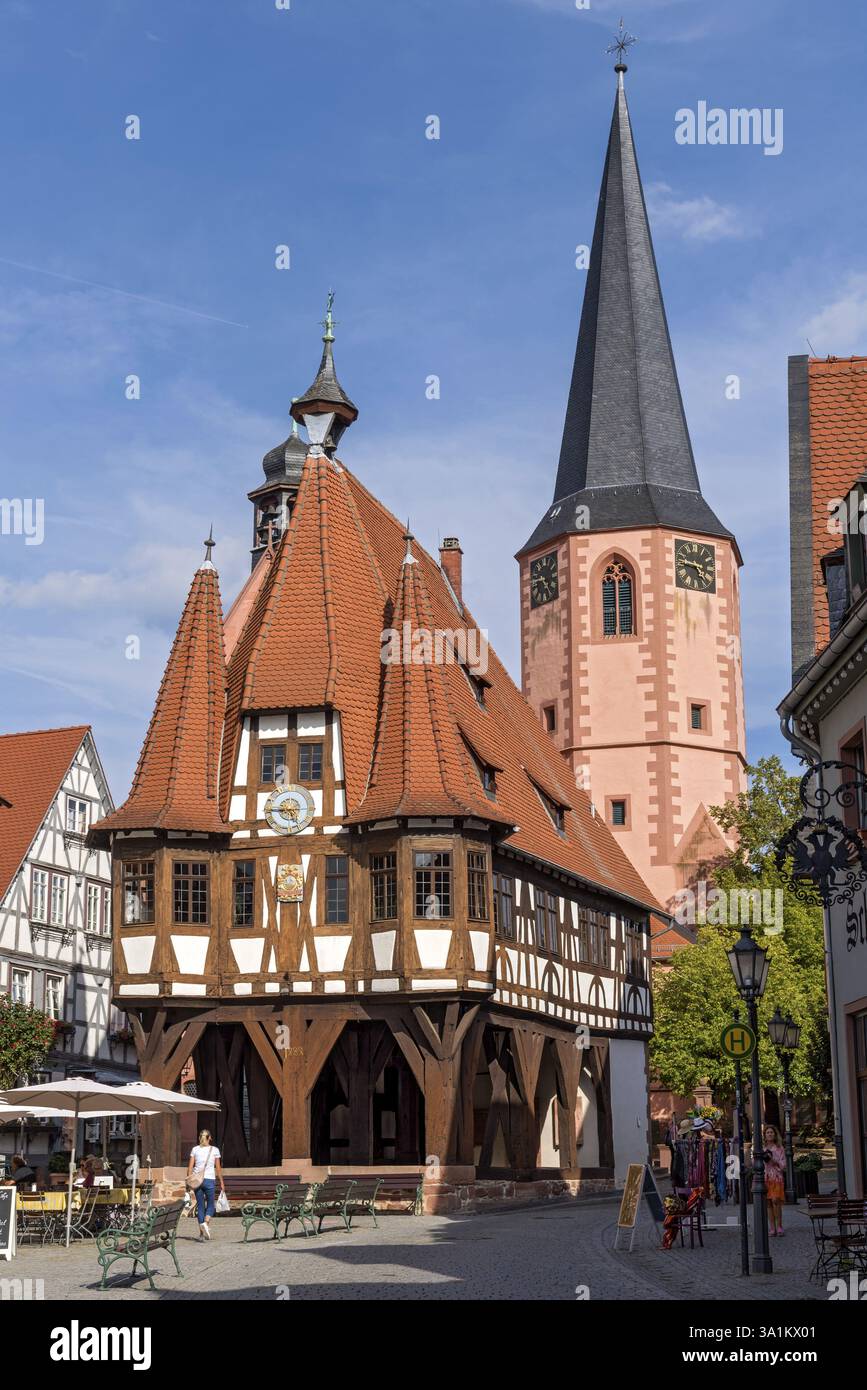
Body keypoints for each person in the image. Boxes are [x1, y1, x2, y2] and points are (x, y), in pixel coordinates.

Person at [186, 1130, 225, 1240]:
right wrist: (221, 1182)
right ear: (209, 1138)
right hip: (209, 1180)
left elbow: (190, 1167)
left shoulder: (195, 1149)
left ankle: (201, 1234)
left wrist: (189, 1181)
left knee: (201, 1206)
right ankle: (206, 1223)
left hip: (197, 1181)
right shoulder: (215, 1150)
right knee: (211, 1205)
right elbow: (218, 1168)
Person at [762, 1124, 787, 1236]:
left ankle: (779, 1226)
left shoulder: (779, 1148)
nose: (770, 1134)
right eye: (767, 1132)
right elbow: (755, 1163)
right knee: (768, 1203)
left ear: (775, 1134)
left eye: (771, 1132)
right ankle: (772, 1228)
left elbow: (783, 1165)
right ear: (765, 1135)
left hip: (776, 1178)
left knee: (776, 1201)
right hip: (765, 1178)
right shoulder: (762, 1148)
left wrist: (773, 1160)